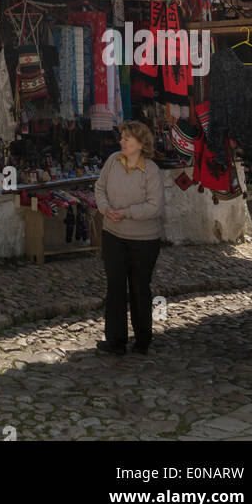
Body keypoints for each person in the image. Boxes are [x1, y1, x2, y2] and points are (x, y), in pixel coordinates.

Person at [94, 120, 164, 356]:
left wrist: (126, 213)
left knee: (139, 288)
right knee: (115, 287)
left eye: (127, 139)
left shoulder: (151, 170)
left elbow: (155, 206)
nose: (121, 142)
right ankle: (115, 340)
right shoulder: (113, 161)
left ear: (141, 144)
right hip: (113, 234)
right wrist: (105, 209)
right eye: (122, 138)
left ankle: (143, 338)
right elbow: (99, 188)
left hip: (144, 240)